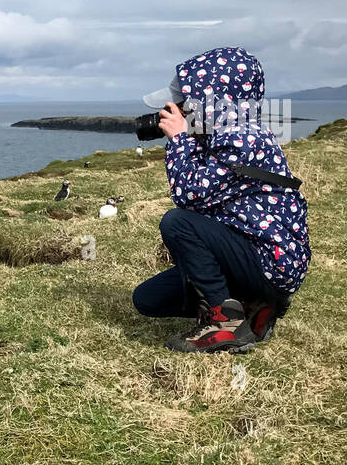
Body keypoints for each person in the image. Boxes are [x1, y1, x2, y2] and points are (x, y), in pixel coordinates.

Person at [132, 46, 310, 353]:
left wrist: (178, 140)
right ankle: (252, 304)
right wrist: (190, 137)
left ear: (209, 101)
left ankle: (225, 321)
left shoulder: (242, 137)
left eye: (184, 103)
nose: (176, 109)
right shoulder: (224, 133)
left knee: (177, 223)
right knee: (147, 299)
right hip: (250, 251)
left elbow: (189, 196)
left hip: (269, 261)